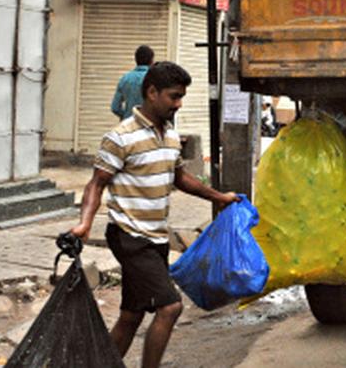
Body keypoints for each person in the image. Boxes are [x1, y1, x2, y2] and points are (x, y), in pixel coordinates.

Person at [70, 61, 238, 368]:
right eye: (174, 96)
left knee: (131, 315)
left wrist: (219, 197)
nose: (179, 103)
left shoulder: (171, 136)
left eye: (181, 96)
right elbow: (96, 184)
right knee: (170, 306)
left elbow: (180, 178)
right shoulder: (120, 137)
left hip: (156, 237)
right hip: (129, 236)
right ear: (151, 92)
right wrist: (84, 224)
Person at [111, 45, 154, 120]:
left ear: (136, 60)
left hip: (129, 124)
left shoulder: (125, 78)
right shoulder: (155, 79)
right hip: (149, 124)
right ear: (151, 61)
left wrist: (126, 116)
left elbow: (115, 108)